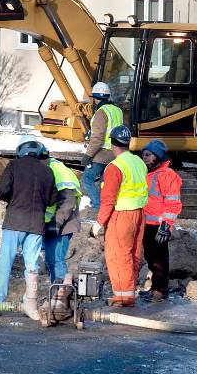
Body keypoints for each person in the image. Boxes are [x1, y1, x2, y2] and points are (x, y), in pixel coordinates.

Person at [0, 137, 57, 320]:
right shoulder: (48, 171)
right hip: (36, 224)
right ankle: (31, 302)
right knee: (32, 265)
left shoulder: (13, 166)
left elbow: (2, 190)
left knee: (5, 261)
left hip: (14, 222)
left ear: (21, 151)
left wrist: (14, 198)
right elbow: (52, 199)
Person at [93, 125, 149, 307]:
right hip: (140, 215)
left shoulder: (115, 167)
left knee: (118, 256)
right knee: (133, 254)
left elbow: (108, 199)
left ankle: (123, 298)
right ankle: (129, 293)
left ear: (112, 144)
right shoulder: (139, 162)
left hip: (122, 215)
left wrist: (99, 222)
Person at [141, 139, 182, 302]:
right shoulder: (149, 174)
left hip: (158, 225)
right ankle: (156, 287)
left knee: (159, 260)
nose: (144, 157)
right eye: (143, 154)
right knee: (151, 258)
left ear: (157, 156)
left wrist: (165, 227)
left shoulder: (168, 176)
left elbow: (173, 204)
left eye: (148, 155)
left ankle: (160, 290)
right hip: (146, 224)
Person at [42, 150, 82, 291]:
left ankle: (61, 297)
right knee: (50, 260)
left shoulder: (57, 169)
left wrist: (56, 222)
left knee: (56, 259)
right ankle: (57, 293)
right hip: (51, 223)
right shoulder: (46, 167)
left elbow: (68, 200)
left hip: (63, 223)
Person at [82, 82, 124, 211]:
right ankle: (106, 205)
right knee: (103, 182)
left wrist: (88, 155)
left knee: (87, 179)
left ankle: (97, 206)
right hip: (116, 153)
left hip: (102, 154)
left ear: (95, 98)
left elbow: (97, 138)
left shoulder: (101, 112)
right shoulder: (117, 110)